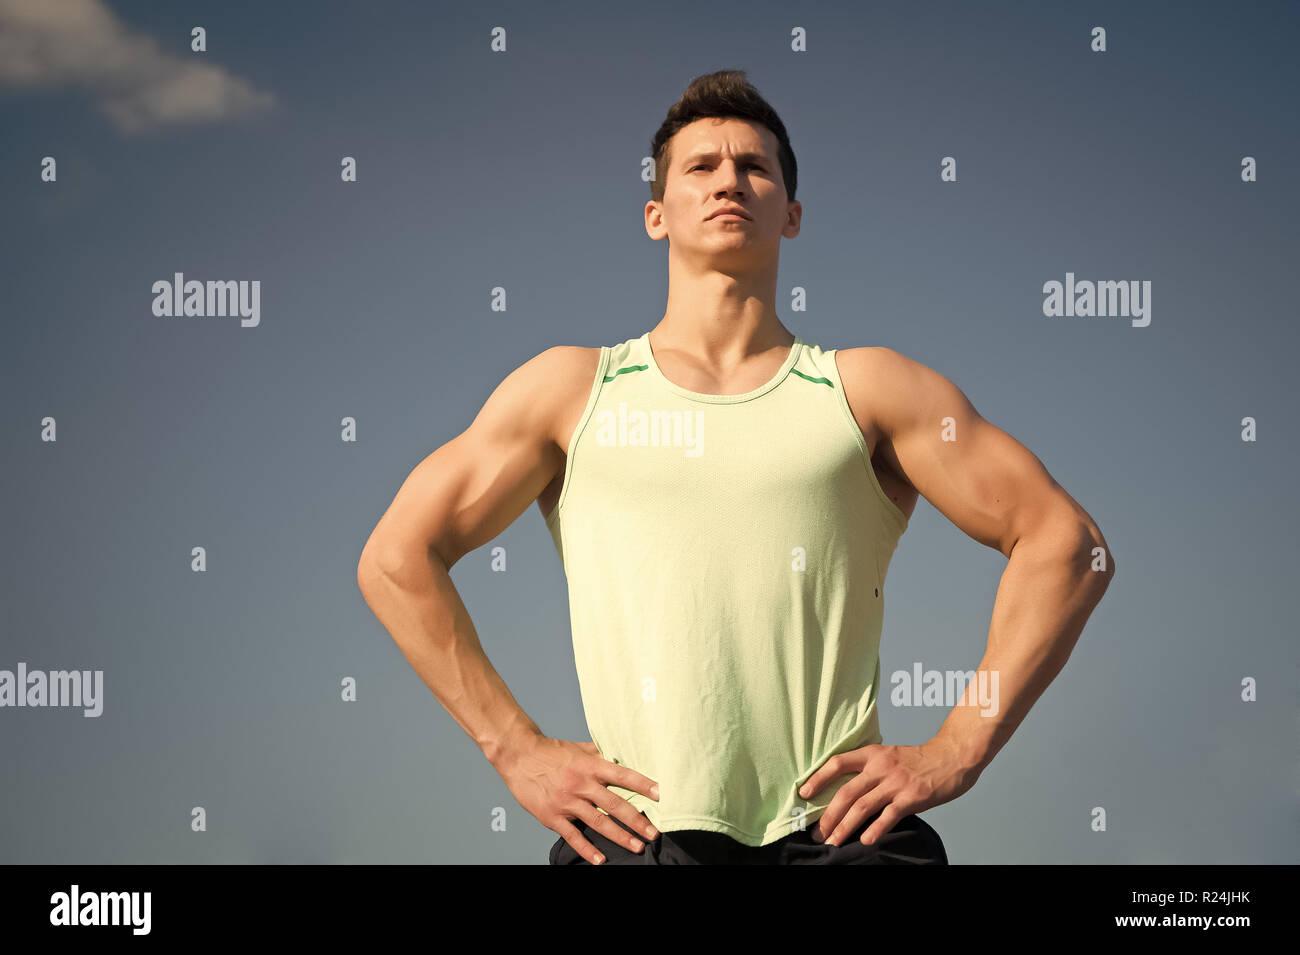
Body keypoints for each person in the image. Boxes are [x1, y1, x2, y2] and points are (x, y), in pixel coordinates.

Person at [356, 69, 1115, 865]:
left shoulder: (870, 389)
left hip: (840, 834)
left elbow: (1066, 542)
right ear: (656, 214)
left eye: (756, 167)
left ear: (791, 214)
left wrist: (957, 746)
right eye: (701, 166)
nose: (730, 181)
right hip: (640, 835)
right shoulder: (570, 391)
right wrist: (514, 746)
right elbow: (396, 558)